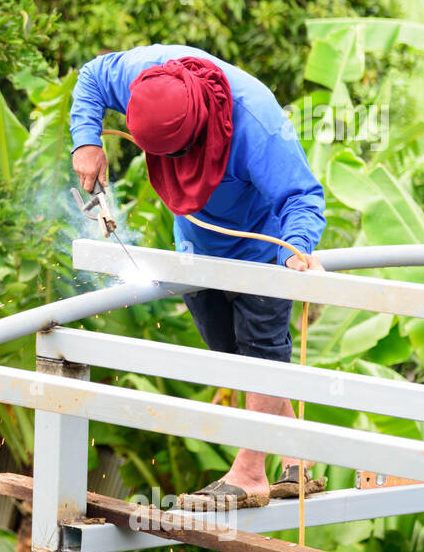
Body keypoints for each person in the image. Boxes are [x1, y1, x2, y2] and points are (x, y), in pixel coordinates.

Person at [69, 44, 327, 510]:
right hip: (197, 243)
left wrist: (296, 253)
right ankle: (298, 460)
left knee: (261, 355)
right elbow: (90, 76)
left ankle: (250, 473)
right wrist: (86, 138)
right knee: (229, 356)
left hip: (265, 248)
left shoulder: (257, 122)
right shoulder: (139, 75)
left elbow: (303, 197)